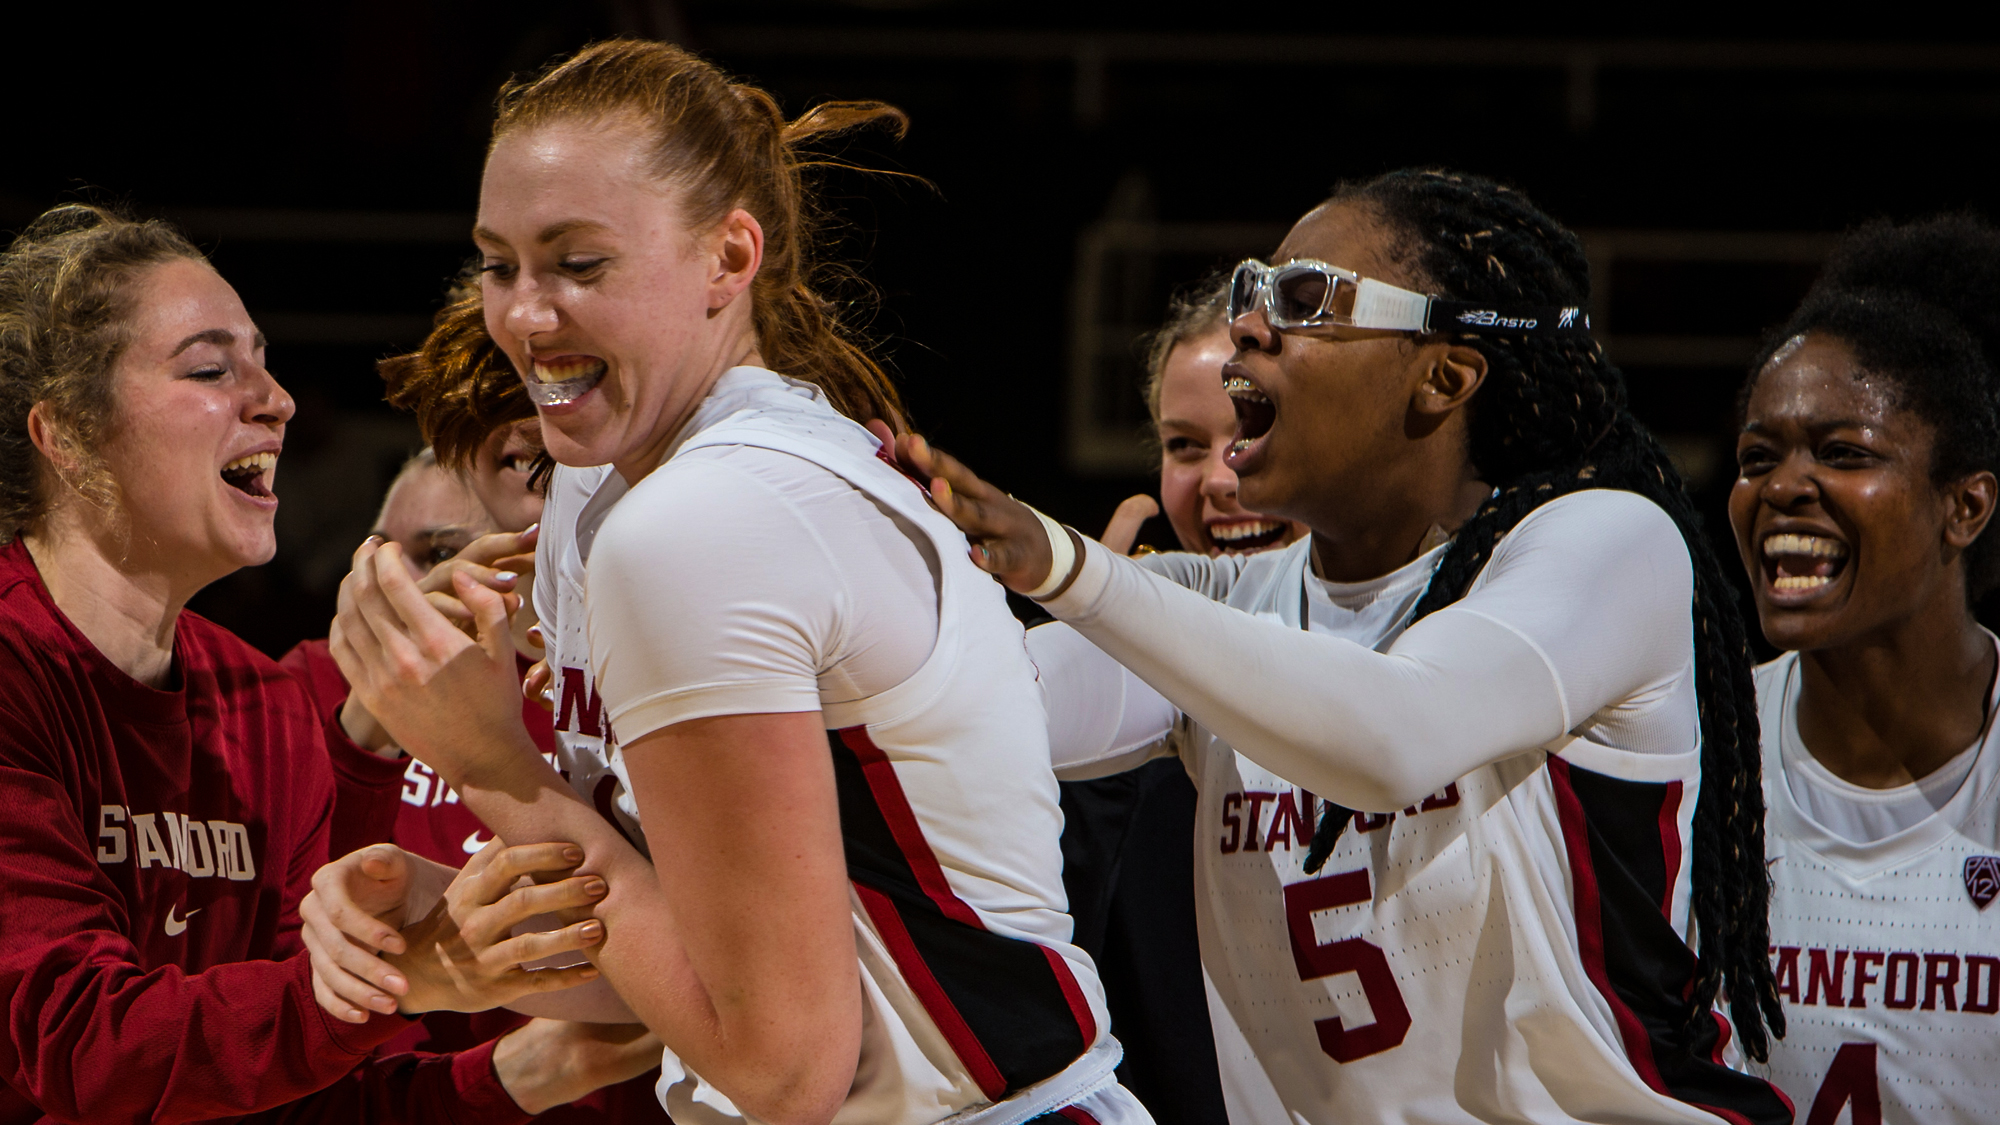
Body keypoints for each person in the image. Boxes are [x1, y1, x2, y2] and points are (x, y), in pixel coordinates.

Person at [305, 39, 1147, 1125]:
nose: (521, 313)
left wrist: (488, 765)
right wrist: (459, 953)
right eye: (500, 262)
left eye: (579, 263)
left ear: (728, 257)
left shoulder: (706, 519)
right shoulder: (603, 496)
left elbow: (785, 1068)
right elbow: (701, 972)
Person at [893, 169, 1795, 1124]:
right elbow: (953, 713)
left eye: (1306, 298)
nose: (1247, 325)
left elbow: (1394, 736)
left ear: (1443, 375)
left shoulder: (1608, 543)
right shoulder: (1231, 604)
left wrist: (1070, 573)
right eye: (1250, 290)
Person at [0, 203, 661, 1123]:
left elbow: (301, 1097)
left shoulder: (262, 705)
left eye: (265, 363)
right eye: (209, 369)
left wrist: (514, 1071)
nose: (277, 400)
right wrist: (408, 976)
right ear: (65, 437)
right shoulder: (15, 670)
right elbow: (79, 1048)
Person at [1730, 214, 2000, 1122]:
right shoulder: (1683, 753)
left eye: (1843, 453)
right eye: (1757, 457)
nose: (1782, 487)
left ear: (1964, 506)